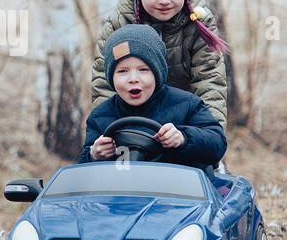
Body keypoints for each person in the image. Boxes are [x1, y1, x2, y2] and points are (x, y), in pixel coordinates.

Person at [90, 0, 229, 128]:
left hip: (186, 127)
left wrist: (208, 138)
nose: (164, 0)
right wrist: (110, 134)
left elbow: (210, 84)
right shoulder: (120, 27)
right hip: (133, 124)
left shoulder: (199, 24)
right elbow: (104, 87)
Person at [80, 23, 226, 168]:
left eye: (143, 70)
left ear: (157, 73)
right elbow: (83, 171)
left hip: (178, 188)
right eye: (122, 71)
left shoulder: (187, 104)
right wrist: (94, 155)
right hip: (122, 188)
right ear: (111, 77)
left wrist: (184, 138)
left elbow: (217, 144)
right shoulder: (100, 115)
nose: (133, 79)